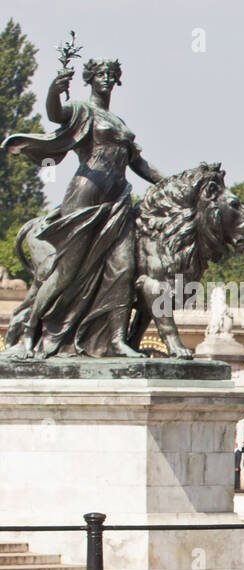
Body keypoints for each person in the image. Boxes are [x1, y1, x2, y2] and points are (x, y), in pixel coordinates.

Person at [2, 57, 166, 358]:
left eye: (110, 74)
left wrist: (171, 183)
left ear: (117, 80)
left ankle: (117, 340)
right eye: (99, 74)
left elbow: (138, 164)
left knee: (124, 269)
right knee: (65, 273)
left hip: (117, 200)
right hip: (85, 198)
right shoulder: (81, 109)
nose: (105, 78)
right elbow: (55, 113)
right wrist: (55, 88)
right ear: (90, 79)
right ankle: (29, 331)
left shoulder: (119, 122)